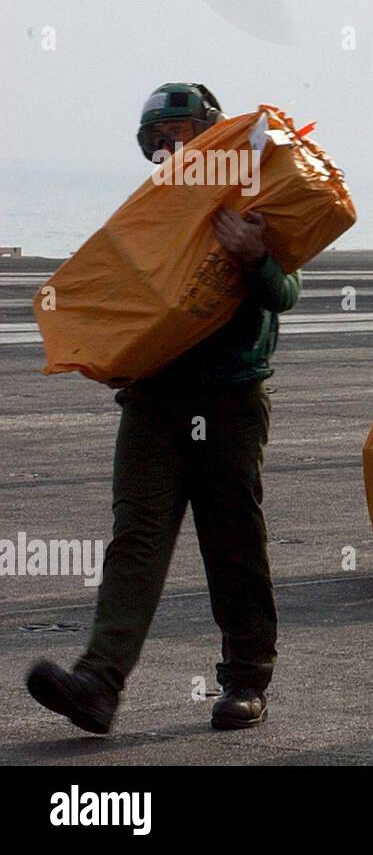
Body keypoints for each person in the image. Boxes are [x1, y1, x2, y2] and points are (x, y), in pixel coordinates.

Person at [26, 83, 302, 735]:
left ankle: (245, 681)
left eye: (181, 133)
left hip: (230, 399)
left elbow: (285, 291)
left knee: (233, 544)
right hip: (153, 402)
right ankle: (98, 682)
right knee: (136, 541)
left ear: (209, 135)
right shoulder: (148, 216)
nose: (169, 146)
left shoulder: (254, 198)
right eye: (159, 138)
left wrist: (257, 257)